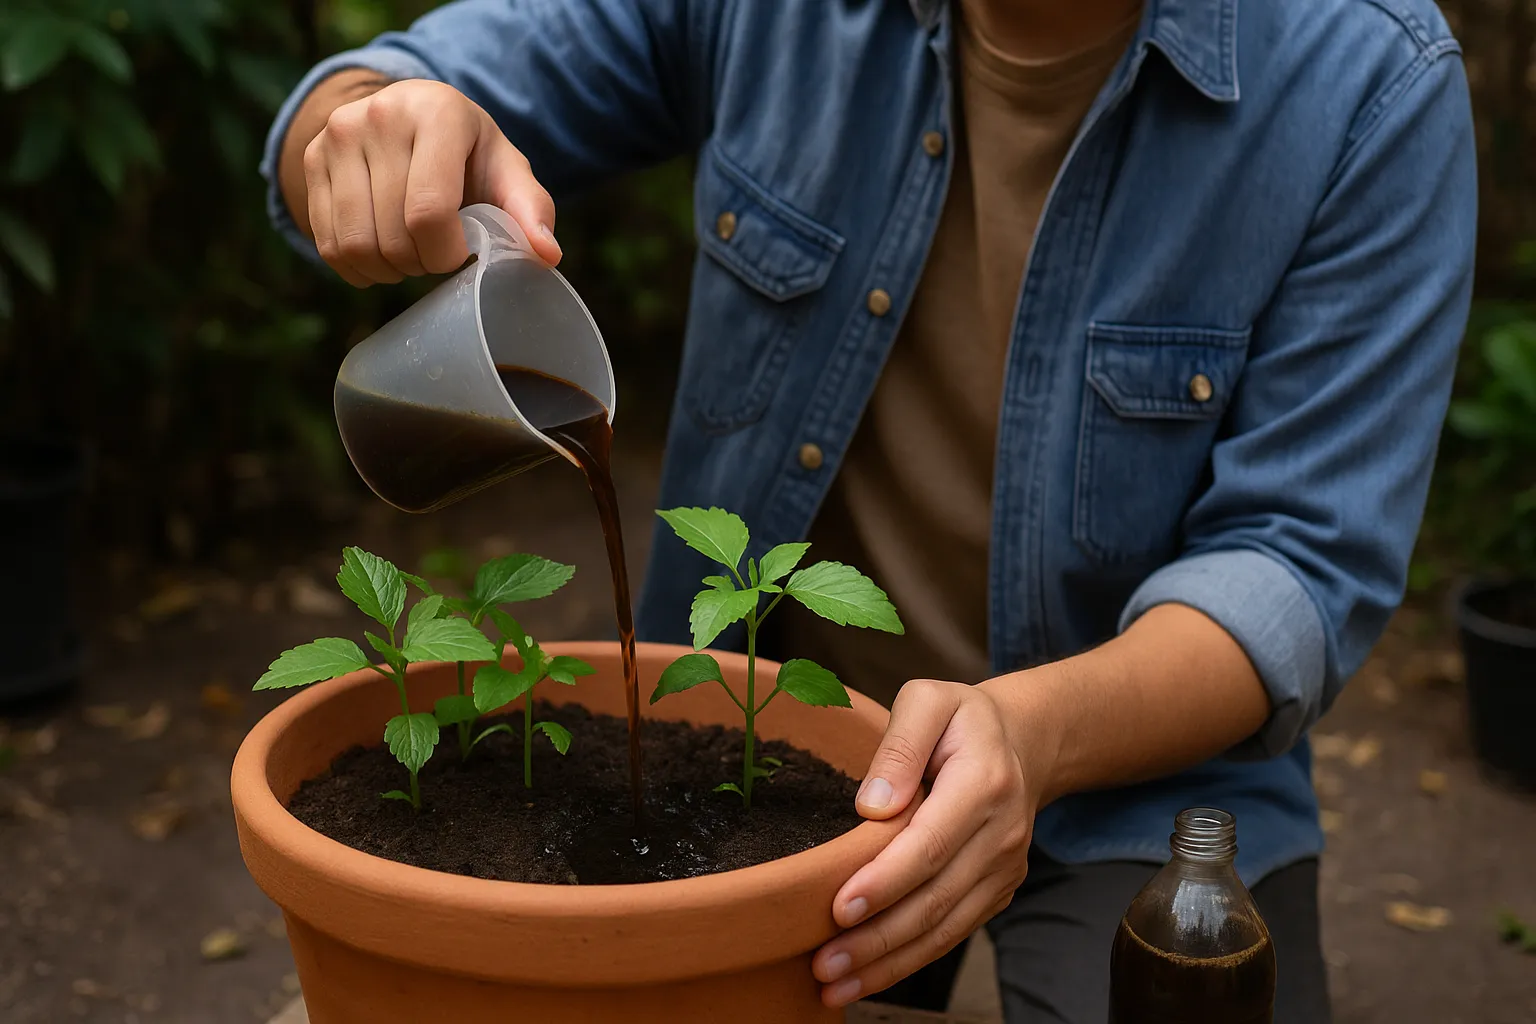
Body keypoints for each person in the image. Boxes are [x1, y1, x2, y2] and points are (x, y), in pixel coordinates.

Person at [262, 1, 1476, 1019]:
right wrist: (370, 125)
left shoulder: (1368, 78)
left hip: (1137, 762)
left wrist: (1032, 734)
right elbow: (406, 83)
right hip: (764, 720)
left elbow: (1297, 564)